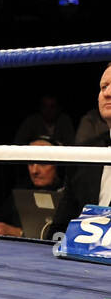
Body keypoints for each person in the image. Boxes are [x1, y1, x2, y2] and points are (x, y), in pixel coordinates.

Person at [45, 63, 111, 237]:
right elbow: (59, 228)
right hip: (80, 262)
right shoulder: (84, 157)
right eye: (103, 86)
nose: (107, 93)